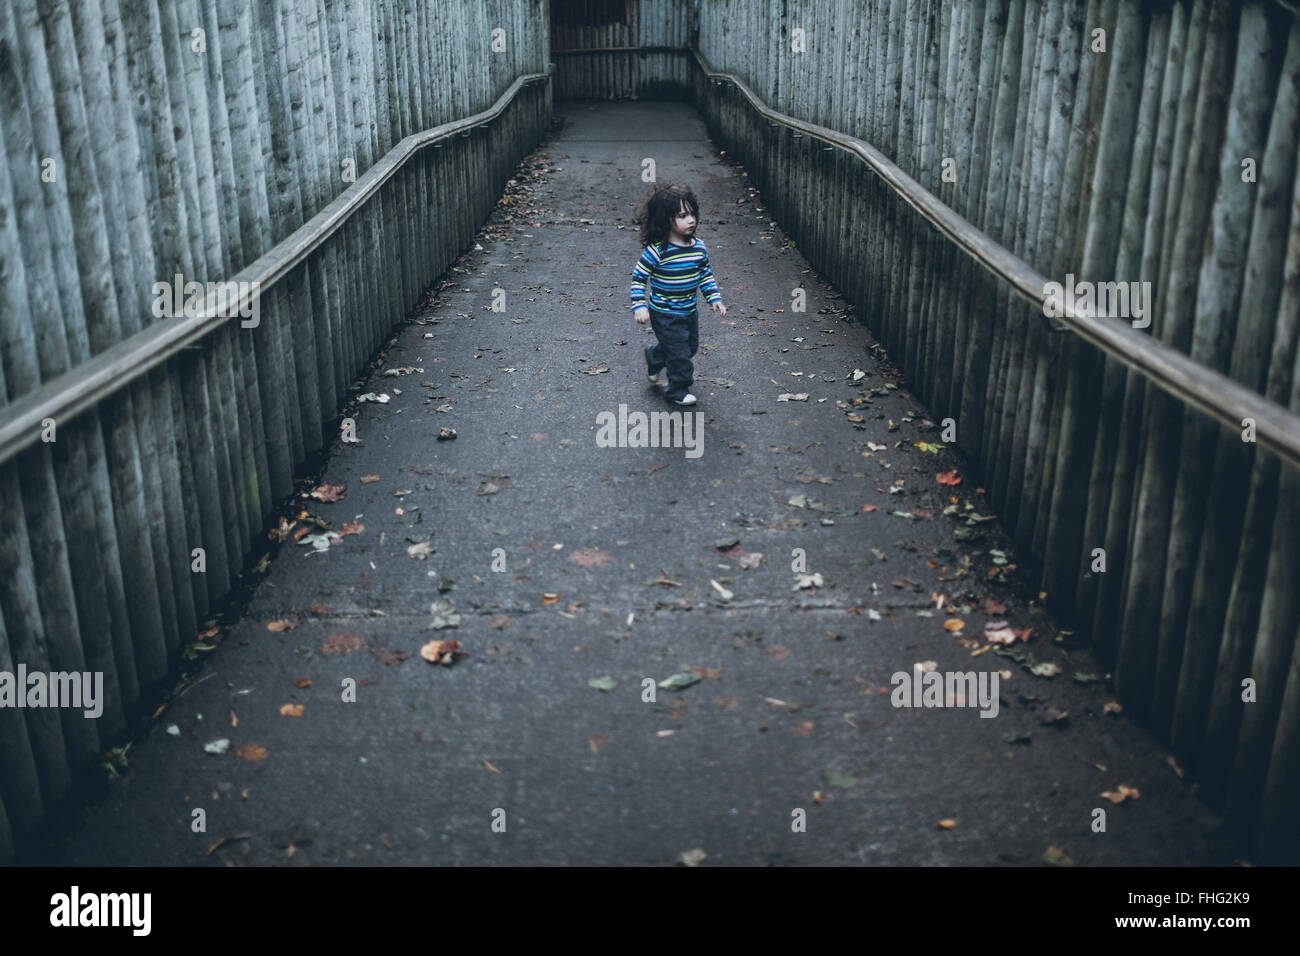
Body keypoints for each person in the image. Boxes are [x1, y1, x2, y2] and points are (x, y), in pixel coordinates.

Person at [629, 184, 726, 406]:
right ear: (665, 219)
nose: (690, 220)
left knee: (690, 348)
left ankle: (655, 357)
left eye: (692, 214)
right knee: (680, 354)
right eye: (682, 215)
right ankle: (677, 389)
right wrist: (639, 306)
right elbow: (638, 279)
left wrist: (715, 299)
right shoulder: (657, 251)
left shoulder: (698, 247)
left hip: (689, 310)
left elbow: (705, 275)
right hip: (664, 313)